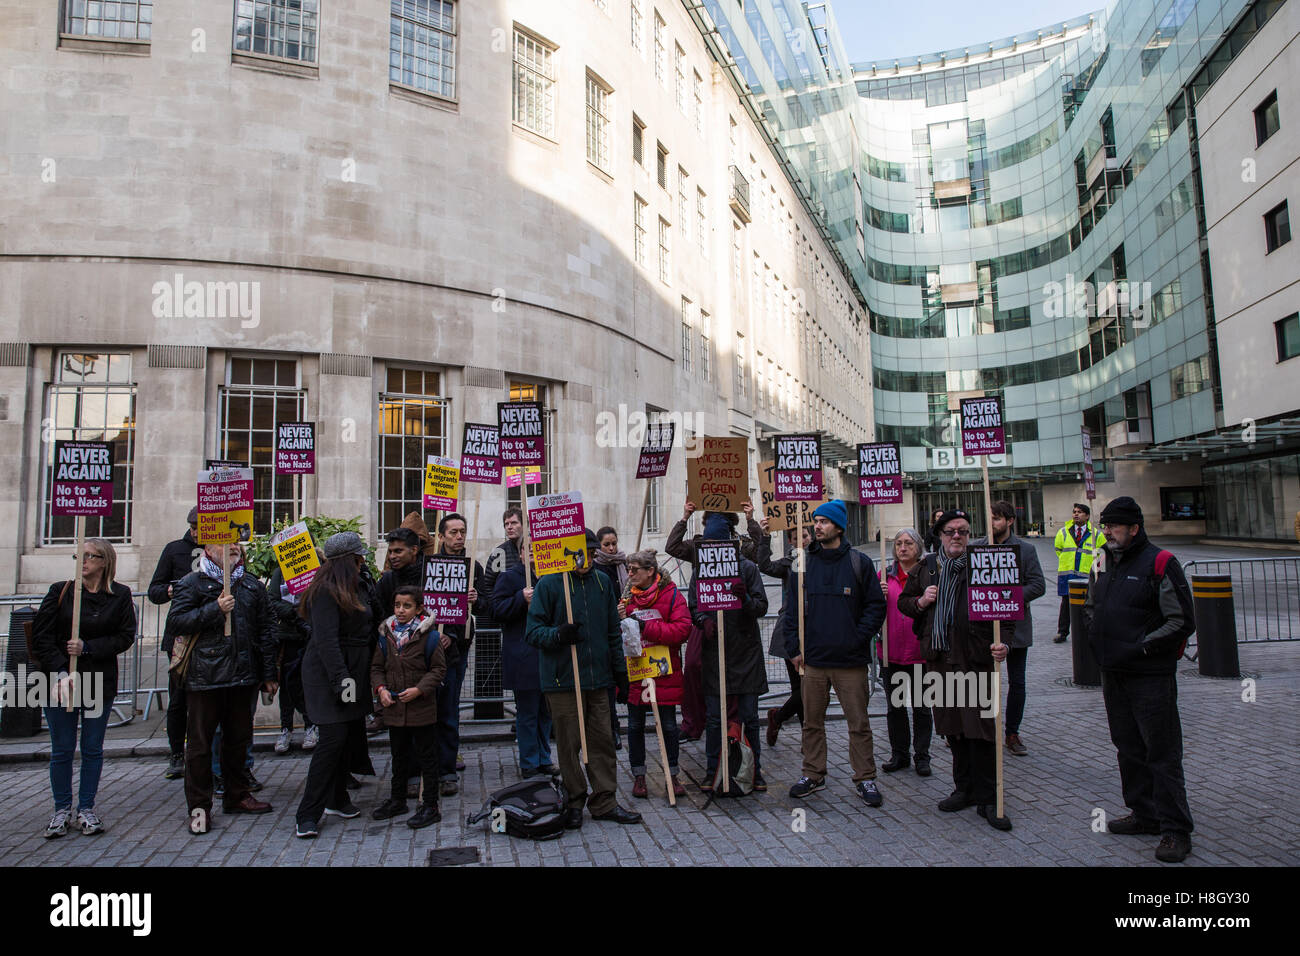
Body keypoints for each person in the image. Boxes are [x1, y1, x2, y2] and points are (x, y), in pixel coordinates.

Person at [1085, 496, 1196, 864]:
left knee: (1161, 752)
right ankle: (1144, 814)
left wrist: (1141, 647)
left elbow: (1181, 620)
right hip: (1113, 673)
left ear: (1134, 528)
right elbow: (1090, 605)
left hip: (1150, 676)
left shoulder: (1161, 563)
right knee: (1127, 747)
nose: (1107, 532)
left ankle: (1175, 830)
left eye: (1114, 526)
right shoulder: (1101, 558)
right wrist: (1094, 635)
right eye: (1105, 525)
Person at [898, 509, 1012, 832]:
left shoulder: (983, 564)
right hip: (939, 659)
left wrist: (1004, 642)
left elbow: (1007, 608)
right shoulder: (927, 568)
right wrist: (921, 602)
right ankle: (963, 788)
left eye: (962, 531)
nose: (957, 537)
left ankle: (989, 796)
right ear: (940, 536)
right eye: (950, 532)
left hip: (974, 659)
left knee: (981, 729)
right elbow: (904, 602)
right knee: (953, 729)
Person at [525, 528, 641, 829]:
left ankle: (605, 801)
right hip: (562, 681)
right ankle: (574, 799)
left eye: (590, 553)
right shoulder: (549, 584)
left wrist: (620, 673)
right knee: (569, 745)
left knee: (601, 742)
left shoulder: (603, 582)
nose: (585, 559)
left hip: (598, 679)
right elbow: (533, 631)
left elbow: (613, 632)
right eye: (581, 553)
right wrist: (558, 634)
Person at [165, 540, 277, 832]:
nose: (233, 547)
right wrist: (214, 609)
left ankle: (237, 794)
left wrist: (268, 674)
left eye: (236, 543)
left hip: (243, 675)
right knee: (200, 746)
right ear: (208, 549)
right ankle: (199, 807)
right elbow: (176, 622)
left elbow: (266, 629)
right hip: (205, 678)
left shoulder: (251, 585)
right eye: (223, 542)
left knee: (238, 740)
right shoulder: (192, 583)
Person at [781, 500, 886, 807]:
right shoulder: (803, 562)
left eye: (824, 521)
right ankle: (813, 773)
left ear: (839, 527)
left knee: (859, 723)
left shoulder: (859, 562)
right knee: (811, 722)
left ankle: (865, 777)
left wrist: (857, 636)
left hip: (850, 662)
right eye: (816, 521)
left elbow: (875, 605)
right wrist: (794, 649)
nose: (818, 526)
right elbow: (792, 611)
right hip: (813, 661)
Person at [32, 538, 137, 838]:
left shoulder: (120, 595)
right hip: (61, 681)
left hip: (98, 680)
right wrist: (62, 669)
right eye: (80, 555)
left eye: (90, 556)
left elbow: (125, 636)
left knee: (92, 748)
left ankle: (86, 807)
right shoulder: (61, 592)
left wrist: (88, 647)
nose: (84, 561)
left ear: (104, 561)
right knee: (62, 749)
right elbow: (42, 637)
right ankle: (60, 809)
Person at [681, 508, 769, 792]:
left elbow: (761, 607)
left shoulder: (748, 569)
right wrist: (703, 622)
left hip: (745, 655)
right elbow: (694, 605)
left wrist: (744, 600)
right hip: (714, 655)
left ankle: (753, 771)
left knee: (750, 718)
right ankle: (712, 770)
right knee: (715, 720)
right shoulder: (700, 570)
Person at [295, 532, 376, 838]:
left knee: (345, 735)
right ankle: (308, 813)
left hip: (352, 671)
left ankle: (337, 798)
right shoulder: (326, 591)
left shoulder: (357, 585)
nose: (362, 562)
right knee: (332, 738)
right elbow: (326, 641)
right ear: (347, 561)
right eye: (358, 558)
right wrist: (342, 680)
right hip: (331, 673)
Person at [665, 500, 763, 741]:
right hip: (706, 620)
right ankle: (694, 722)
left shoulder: (742, 550)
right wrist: (685, 516)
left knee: (733, 672)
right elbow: (672, 546)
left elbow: (762, 551)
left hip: (736, 623)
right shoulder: (698, 546)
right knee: (695, 667)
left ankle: (732, 723)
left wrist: (751, 521)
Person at [972, 500, 1046, 757]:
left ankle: (1012, 732)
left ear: (1010, 521)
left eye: (997, 518)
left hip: (1016, 628)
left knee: (1017, 683)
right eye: (989, 518)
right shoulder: (977, 548)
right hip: (983, 628)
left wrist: (1007, 597)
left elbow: (1038, 585)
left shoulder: (1026, 550)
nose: (992, 523)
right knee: (981, 681)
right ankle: (976, 729)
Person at [370, 585, 447, 828]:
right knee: (398, 756)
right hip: (394, 707)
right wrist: (380, 689)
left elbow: (438, 670)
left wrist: (419, 689)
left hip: (420, 708)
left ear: (418, 608)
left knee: (427, 757)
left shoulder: (429, 636)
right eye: (397, 605)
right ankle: (397, 798)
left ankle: (430, 804)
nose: (401, 610)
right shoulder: (386, 635)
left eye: (407, 606)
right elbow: (376, 668)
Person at [619, 549, 692, 798]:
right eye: (628, 569)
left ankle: (672, 774)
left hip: (664, 672)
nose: (629, 574)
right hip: (637, 672)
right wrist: (620, 619)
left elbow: (682, 630)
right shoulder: (627, 599)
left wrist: (646, 627)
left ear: (650, 571)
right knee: (636, 726)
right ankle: (639, 775)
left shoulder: (671, 596)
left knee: (669, 726)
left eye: (634, 570)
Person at [493, 542, 557, 778]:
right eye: (526, 547)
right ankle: (530, 762)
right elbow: (496, 609)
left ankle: (544, 757)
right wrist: (520, 598)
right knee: (528, 713)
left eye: (536, 546)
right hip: (522, 655)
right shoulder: (509, 577)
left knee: (545, 712)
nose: (531, 551)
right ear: (519, 553)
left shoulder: (549, 577)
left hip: (547, 654)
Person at [147, 507, 201, 780]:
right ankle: (176, 753)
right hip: (180, 636)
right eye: (192, 526)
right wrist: (172, 589)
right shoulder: (174, 550)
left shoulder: (225, 549)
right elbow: (154, 591)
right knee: (178, 699)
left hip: (210, 634)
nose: (195, 531)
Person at [433, 511, 483, 795]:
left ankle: (447, 770)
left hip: (459, 647)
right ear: (441, 536)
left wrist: (478, 599)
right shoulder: (431, 563)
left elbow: (487, 605)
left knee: (450, 708)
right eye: (453, 532)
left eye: (462, 531)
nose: (459, 536)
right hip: (433, 646)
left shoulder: (473, 565)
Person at [878, 528, 932, 776]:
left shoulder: (929, 575)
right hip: (892, 652)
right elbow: (871, 611)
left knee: (921, 707)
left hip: (920, 652)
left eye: (908, 543)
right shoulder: (884, 576)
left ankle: (922, 755)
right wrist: (878, 597)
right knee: (895, 708)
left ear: (918, 546)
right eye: (898, 543)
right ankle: (899, 754)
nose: (902, 548)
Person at [757, 518, 810, 747]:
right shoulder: (789, 564)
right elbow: (765, 565)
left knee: (811, 689)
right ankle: (808, 737)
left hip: (816, 632)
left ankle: (778, 717)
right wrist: (765, 536)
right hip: (791, 633)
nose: (803, 541)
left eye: (806, 536)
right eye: (798, 538)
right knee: (801, 688)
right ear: (790, 541)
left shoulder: (821, 560)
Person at [370, 527, 424, 736]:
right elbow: (378, 614)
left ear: (414, 550)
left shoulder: (429, 574)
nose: (392, 556)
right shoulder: (387, 580)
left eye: (398, 551)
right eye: (391, 551)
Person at [268, 562, 316, 754]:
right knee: (287, 686)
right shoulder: (279, 573)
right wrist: (294, 613)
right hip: (287, 637)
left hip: (309, 636)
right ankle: (286, 728)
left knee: (309, 685)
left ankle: (310, 726)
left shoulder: (316, 570)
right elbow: (272, 600)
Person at [592, 526, 627, 751]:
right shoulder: (596, 568)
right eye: (607, 544)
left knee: (620, 680)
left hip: (623, 630)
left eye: (614, 543)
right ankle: (611, 728)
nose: (612, 548)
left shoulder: (623, 564)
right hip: (604, 631)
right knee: (607, 687)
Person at [1053, 503, 1104, 643]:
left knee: (1087, 605)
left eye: (1080, 512)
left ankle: (1086, 631)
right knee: (1065, 605)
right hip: (1067, 575)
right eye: (1074, 511)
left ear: (1087, 516)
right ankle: (1062, 632)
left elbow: (1102, 554)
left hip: (1086, 576)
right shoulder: (1063, 532)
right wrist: (1067, 562)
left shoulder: (1096, 534)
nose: (1076, 514)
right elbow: (1058, 549)